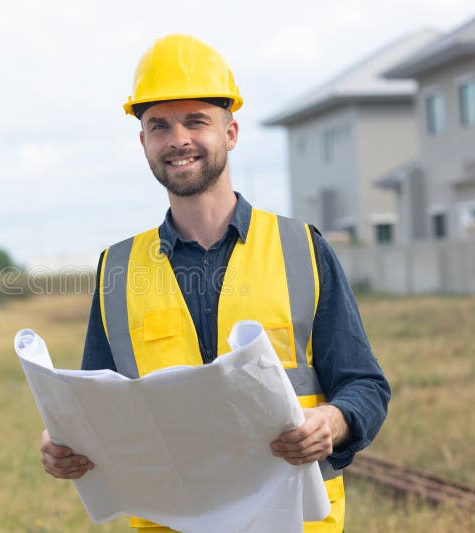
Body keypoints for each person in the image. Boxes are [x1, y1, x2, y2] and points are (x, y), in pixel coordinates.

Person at [39, 34, 390, 533]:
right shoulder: (118, 268)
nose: (177, 139)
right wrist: (64, 446)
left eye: (196, 121)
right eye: (159, 125)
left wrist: (333, 422)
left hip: (295, 520)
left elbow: (365, 385)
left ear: (231, 132)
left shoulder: (301, 248)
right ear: (143, 142)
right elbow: (97, 413)